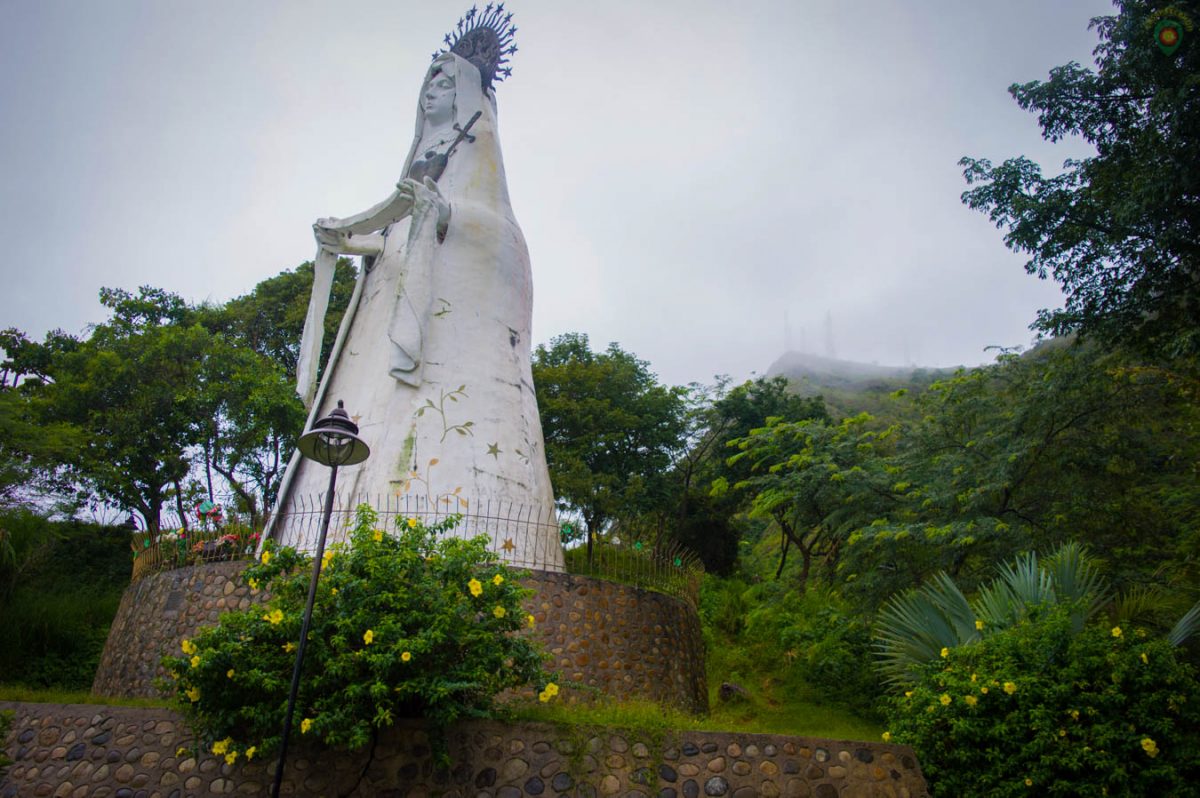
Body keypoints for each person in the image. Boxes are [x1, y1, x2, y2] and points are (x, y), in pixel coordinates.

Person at [269, 52, 563, 571]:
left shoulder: (477, 162)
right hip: (378, 338)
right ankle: (318, 537)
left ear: (467, 95)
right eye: (428, 83)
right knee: (356, 424)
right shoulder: (420, 157)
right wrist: (346, 241)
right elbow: (391, 245)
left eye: (445, 83)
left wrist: (442, 212)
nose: (431, 93)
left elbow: (503, 243)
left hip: (447, 339)